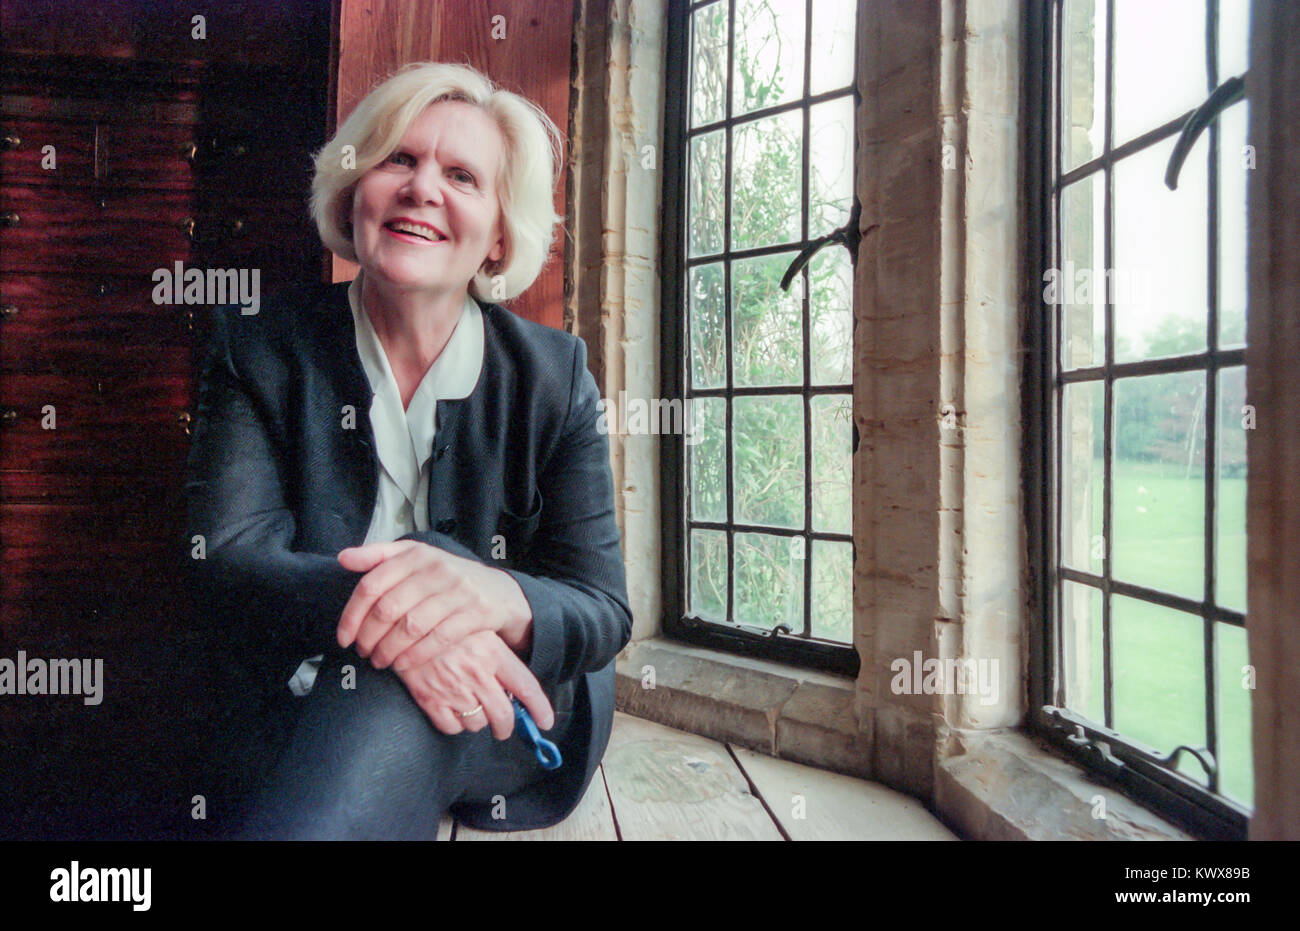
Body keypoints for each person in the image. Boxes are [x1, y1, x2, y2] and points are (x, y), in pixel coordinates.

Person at [182, 61, 631, 840]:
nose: (424, 188)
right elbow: (225, 560)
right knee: (387, 658)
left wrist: (494, 597)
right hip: (307, 690)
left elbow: (601, 608)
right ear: (354, 190)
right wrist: (413, 614)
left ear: (498, 233)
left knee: (393, 661)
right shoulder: (258, 348)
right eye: (398, 158)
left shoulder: (555, 376)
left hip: (514, 711)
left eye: (462, 175)